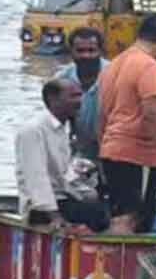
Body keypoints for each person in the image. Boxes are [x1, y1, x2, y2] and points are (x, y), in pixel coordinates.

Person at [97, 13, 156, 233]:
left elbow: (101, 115)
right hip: (138, 155)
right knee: (132, 220)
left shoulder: (113, 65)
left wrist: (103, 148)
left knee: (121, 214)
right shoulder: (149, 67)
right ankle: (122, 266)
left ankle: (112, 264)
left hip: (112, 151)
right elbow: (154, 114)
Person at [16, 79, 109, 231]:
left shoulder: (67, 128)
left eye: (80, 96)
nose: (79, 101)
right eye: (73, 96)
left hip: (66, 197)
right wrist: (54, 216)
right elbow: (36, 178)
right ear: (53, 100)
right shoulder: (33, 130)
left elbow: (66, 173)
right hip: (42, 208)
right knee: (98, 217)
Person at [56, 27, 110, 160]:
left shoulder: (115, 75)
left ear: (101, 51)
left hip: (112, 147)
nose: (86, 55)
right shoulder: (62, 79)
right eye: (80, 51)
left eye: (91, 50)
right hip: (79, 149)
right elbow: (56, 122)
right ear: (71, 52)